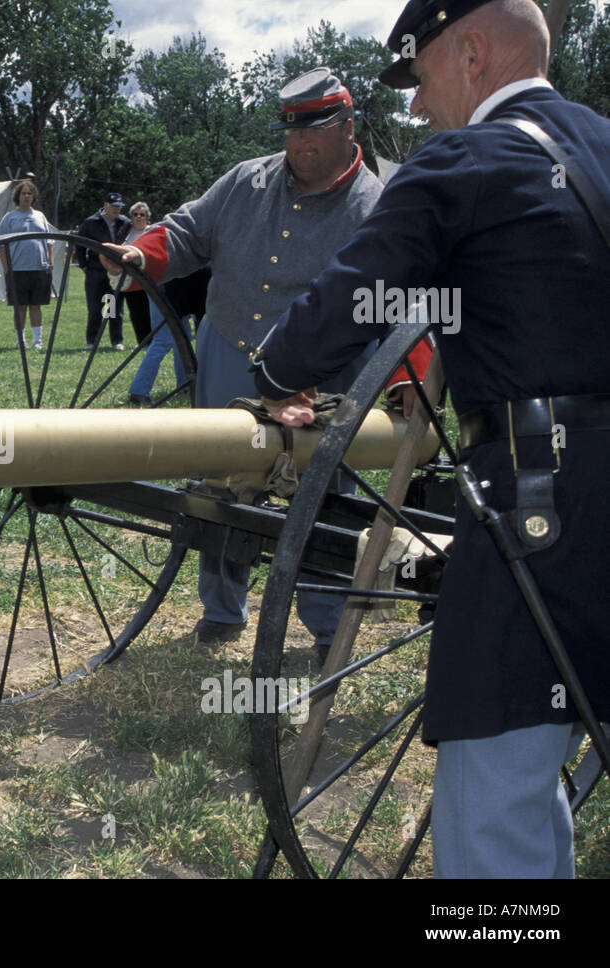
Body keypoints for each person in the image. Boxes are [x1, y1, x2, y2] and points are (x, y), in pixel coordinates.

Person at [252, 0, 610, 878]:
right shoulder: (600, 139)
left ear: (474, 51)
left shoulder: (466, 159)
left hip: (541, 504)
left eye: (422, 81)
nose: (417, 110)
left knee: (497, 789)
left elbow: (346, 302)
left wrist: (271, 376)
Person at [104, 67, 384, 651]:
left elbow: (398, 296)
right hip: (229, 348)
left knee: (323, 498)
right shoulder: (245, 182)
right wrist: (140, 251)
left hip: (322, 377)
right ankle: (222, 609)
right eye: (291, 131)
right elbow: (186, 232)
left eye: (315, 130)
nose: (300, 143)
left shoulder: (377, 206)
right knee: (219, 483)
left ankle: (328, 622)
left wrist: (408, 375)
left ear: (349, 125)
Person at [128, 267, 209, 407]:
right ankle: (139, 391)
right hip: (165, 287)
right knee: (163, 340)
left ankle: (185, 385)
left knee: (184, 338)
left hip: (172, 287)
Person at [0, 179, 54, 350]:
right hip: (17, 269)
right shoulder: (9, 218)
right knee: (20, 307)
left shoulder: (40, 216)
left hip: (39, 267)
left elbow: (49, 241)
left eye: (30, 193)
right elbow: (1, 245)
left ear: (33, 196)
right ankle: (20, 340)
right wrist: (7, 268)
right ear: (18, 196)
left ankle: (37, 340)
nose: (27, 196)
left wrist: (50, 263)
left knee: (36, 305)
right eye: (24, 193)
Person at [77, 192, 133, 350]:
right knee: (95, 307)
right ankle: (91, 341)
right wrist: (84, 265)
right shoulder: (90, 222)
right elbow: (79, 245)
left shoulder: (125, 223)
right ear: (105, 205)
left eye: (119, 207)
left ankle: (117, 341)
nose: (117, 210)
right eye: (114, 206)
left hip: (116, 270)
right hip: (95, 270)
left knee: (114, 307)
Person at [120, 202, 155, 346]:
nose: (139, 217)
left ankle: (155, 341)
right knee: (136, 312)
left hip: (150, 279)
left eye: (142, 214)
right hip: (131, 279)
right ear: (131, 217)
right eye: (136, 214)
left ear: (147, 217)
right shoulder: (126, 233)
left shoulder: (152, 231)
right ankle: (142, 341)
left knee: (151, 312)